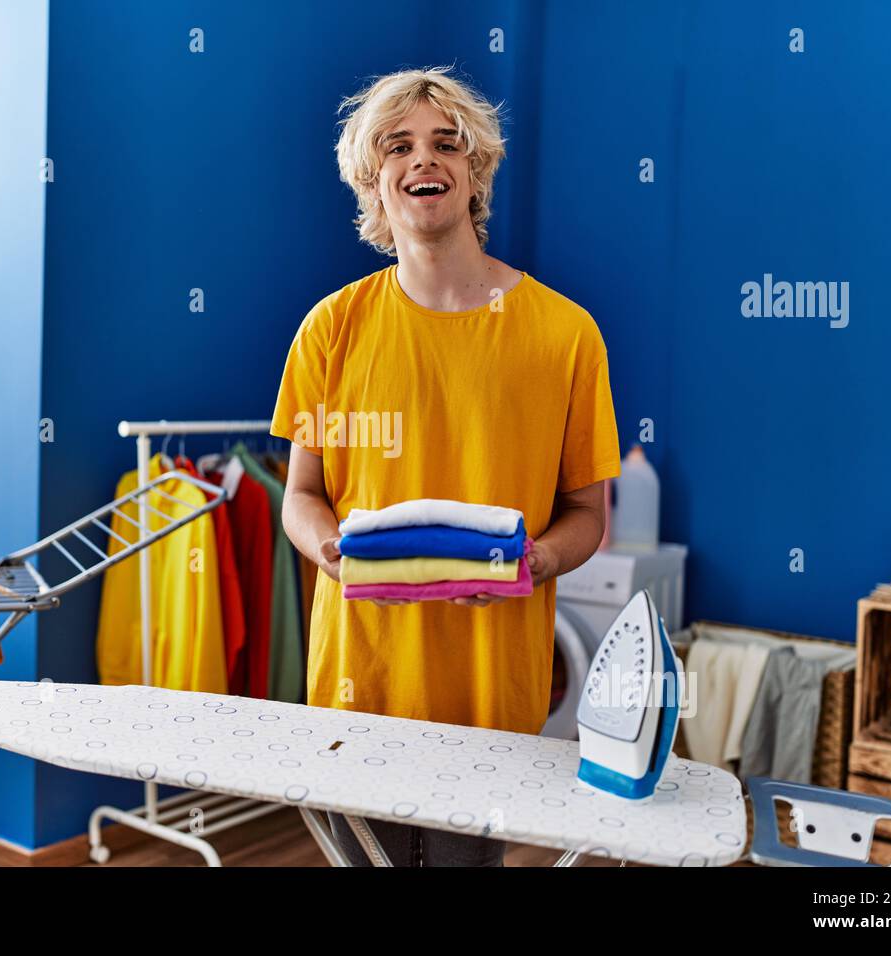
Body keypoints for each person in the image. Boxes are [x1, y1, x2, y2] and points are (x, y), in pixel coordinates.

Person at [270, 66, 621, 866]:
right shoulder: (331, 329)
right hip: (362, 678)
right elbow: (301, 495)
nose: (423, 159)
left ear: (475, 172)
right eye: (398, 145)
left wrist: (533, 563)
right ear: (372, 178)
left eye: (446, 143)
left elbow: (587, 513)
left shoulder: (565, 335)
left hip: (490, 684)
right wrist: (334, 551)